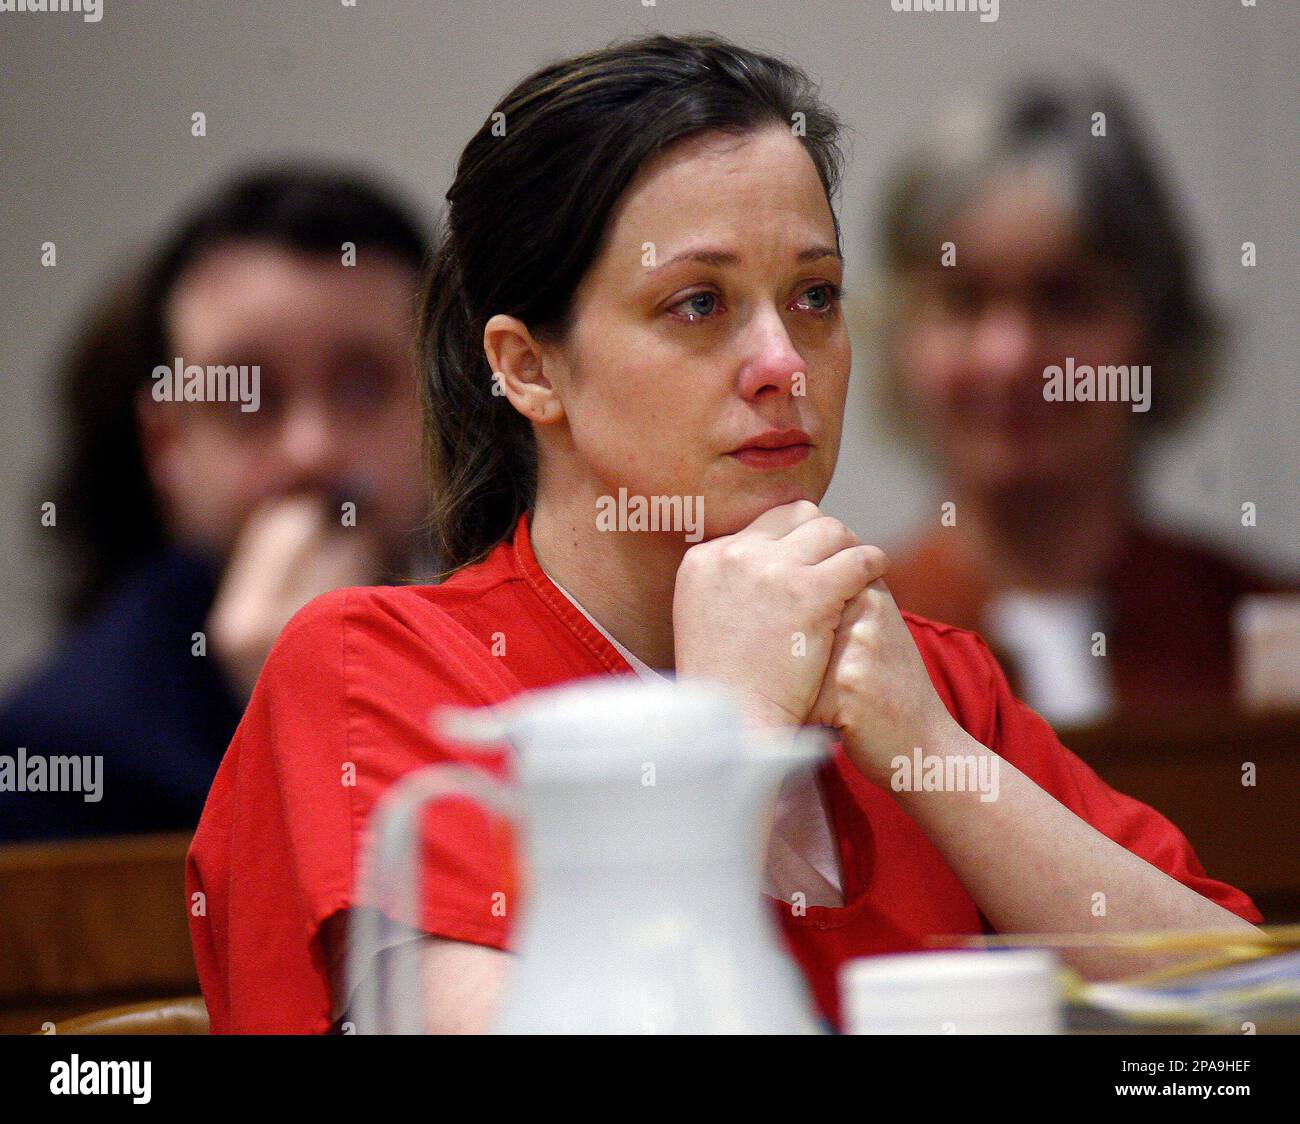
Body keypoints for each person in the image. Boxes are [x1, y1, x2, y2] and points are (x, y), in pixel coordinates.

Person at [187, 34, 1261, 1035]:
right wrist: (732, 729)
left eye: (814, 295)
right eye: (698, 302)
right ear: (527, 366)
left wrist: (931, 751)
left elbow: (1237, 1006)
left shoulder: (925, 673)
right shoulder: (370, 665)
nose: (784, 361)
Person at [0, 166, 433, 841]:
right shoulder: (69, 752)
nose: (310, 450)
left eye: (364, 386)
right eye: (245, 397)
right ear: (167, 444)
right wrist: (304, 717)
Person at [867, 68, 1290, 725]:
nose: (1008, 357)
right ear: (900, 338)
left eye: (1067, 297)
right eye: (962, 301)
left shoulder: (1265, 634)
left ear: (1158, 332)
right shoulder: (848, 652)